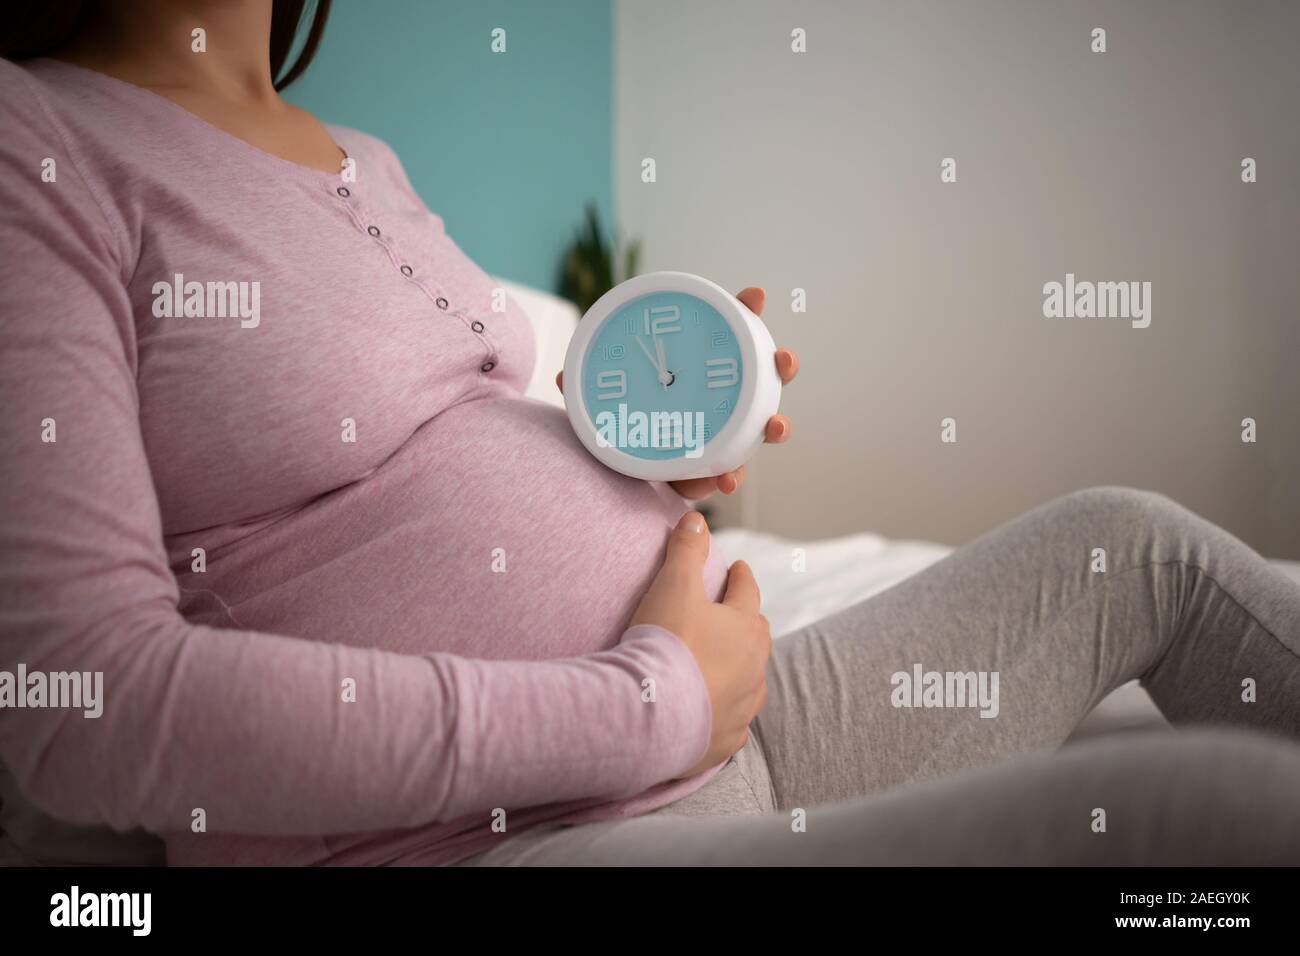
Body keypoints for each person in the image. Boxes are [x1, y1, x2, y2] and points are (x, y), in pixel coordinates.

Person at [1, 0, 1297, 867]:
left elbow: (434, 460)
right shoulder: (37, 139)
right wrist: (645, 707)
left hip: (729, 722)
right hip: (489, 840)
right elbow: (85, 696)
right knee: (1214, 822)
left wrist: (634, 446)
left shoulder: (361, 156)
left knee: (1133, 554)